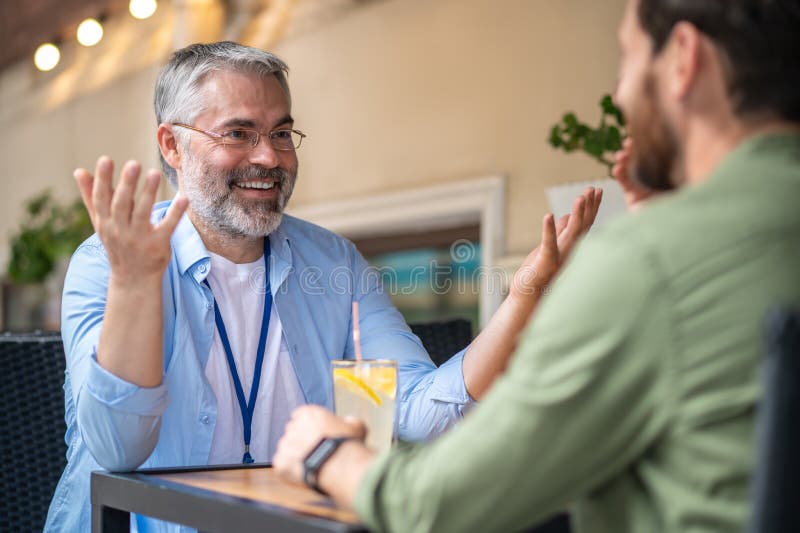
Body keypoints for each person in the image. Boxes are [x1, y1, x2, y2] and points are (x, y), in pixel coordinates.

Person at [273, 0, 800, 531]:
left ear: (684, 57)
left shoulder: (648, 263)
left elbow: (437, 506)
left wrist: (327, 454)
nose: (619, 93)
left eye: (627, 58)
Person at [44, 41, 601, 532]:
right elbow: (119, 449)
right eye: (239, 133)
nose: (269, 156)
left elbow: (422, 416)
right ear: (172, 145)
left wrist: (525, 293)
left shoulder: (333, 261)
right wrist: (137, 284)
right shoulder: (105, 262)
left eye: (282, 133)